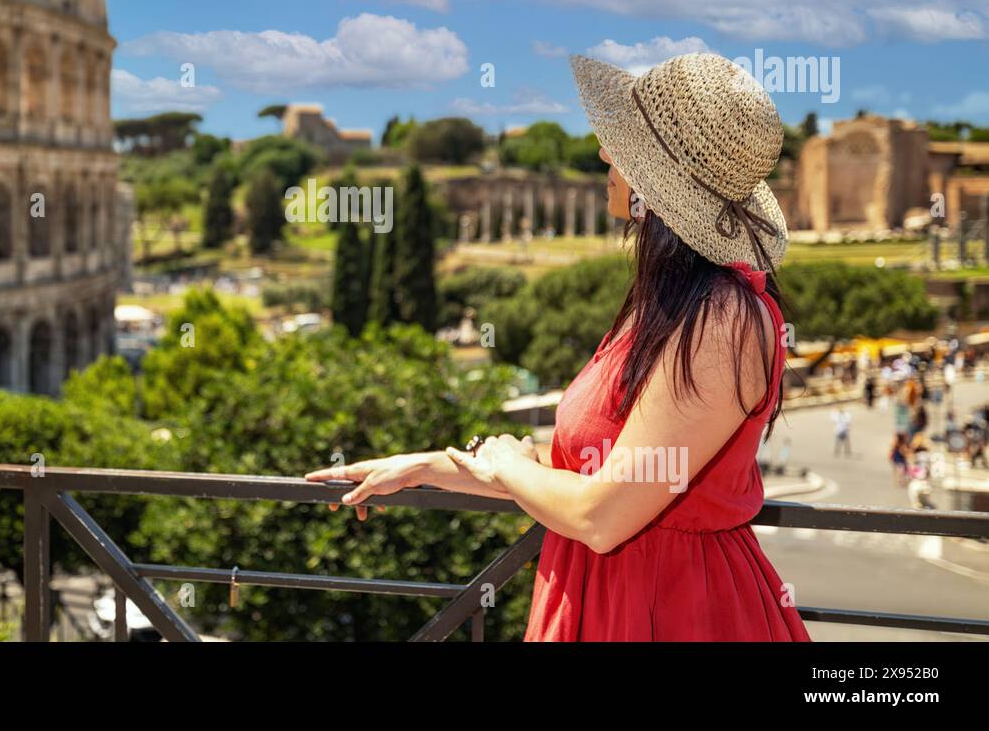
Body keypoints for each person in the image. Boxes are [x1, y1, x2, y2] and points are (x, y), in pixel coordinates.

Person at [307, 53, 810, 641]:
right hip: (616, 598)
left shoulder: (721, 320)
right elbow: (588, 467)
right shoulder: (671, 307)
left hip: (673, 611)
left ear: (659, 182)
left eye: (623, 146)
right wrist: (430, 468)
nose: (603, 154)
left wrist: (507, 465)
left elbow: (600, 515)